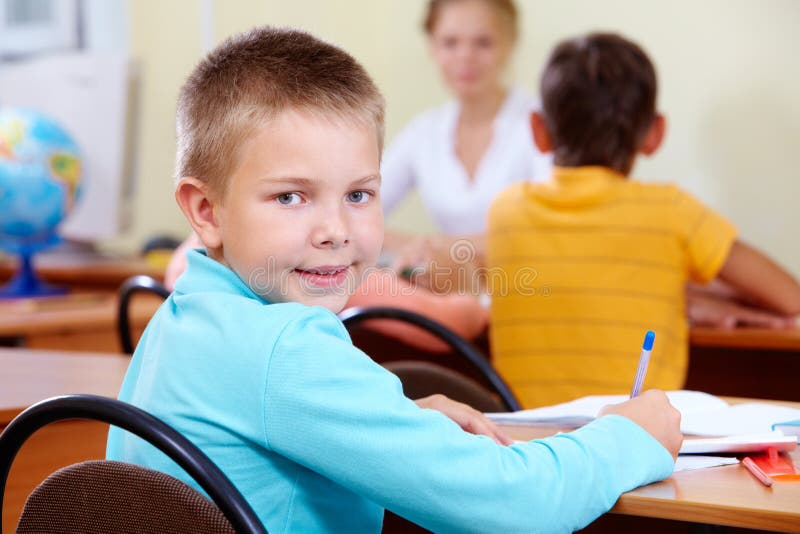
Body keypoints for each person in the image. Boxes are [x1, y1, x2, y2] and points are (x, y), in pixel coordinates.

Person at [108, 27, 682, 533]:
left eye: (359, 195)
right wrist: (628, 437)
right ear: (205, 211)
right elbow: (516, 506)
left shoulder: (180, 321)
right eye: (290, 197)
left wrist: (402, 426)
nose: (335, 230)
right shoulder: (288, 347)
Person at [487, 32, 800, 409]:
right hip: (635, 441)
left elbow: (584, 274)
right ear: (655, 133)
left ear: (538, 130)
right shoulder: (672, 212)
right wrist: (686, 293)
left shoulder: (504, 212)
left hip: (524, 440)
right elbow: (790, 298)